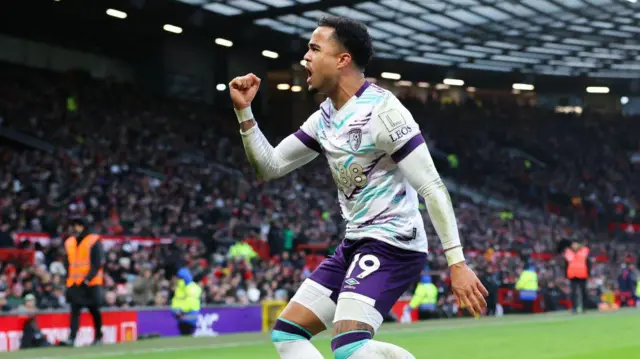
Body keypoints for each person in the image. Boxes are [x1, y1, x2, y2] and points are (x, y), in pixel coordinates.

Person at [229, 15, 488, 359]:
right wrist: (245, 113)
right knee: (287, 334)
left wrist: (456, 262)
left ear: (342, 59)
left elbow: (432, 186)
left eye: (314, 48)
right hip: (355, 242)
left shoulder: (384, 111)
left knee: (349, 347)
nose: (305, 57)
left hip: (393, 243)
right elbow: (270, 167)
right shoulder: (324, 117)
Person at [60, 218, 105, 347]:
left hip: (90, 283)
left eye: (77, 226)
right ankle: (71, 338)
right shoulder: (69, 242)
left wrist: (87, 279)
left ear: (83, 227)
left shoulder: (93, 240)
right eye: (73, 225)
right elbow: (67, 261)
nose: (74, 228)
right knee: (74, 311)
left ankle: (98, 336)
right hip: (75, 283)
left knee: (94, 310)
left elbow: (98, 263)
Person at [171, 267, 202, 336]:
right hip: (183, 316)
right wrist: (175, 310)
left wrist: (179, 310)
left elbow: (190, 302)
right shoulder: (180, 287)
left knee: (188, 333)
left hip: (189, 315)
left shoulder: (192, 287)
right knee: (185, 334)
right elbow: (177, 300)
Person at [564, 241, 590, 314]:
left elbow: (588, 262)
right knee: (573, 293)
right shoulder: (568, 253)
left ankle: (584, 307)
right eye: (573, 244)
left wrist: (589, 273)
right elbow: (566, 264)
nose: (575, 245)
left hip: (582, 275)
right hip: (572, 276)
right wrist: (565, 275)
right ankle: (574, 308)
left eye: (576, 244)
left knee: (583, 292)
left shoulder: (584, 252)